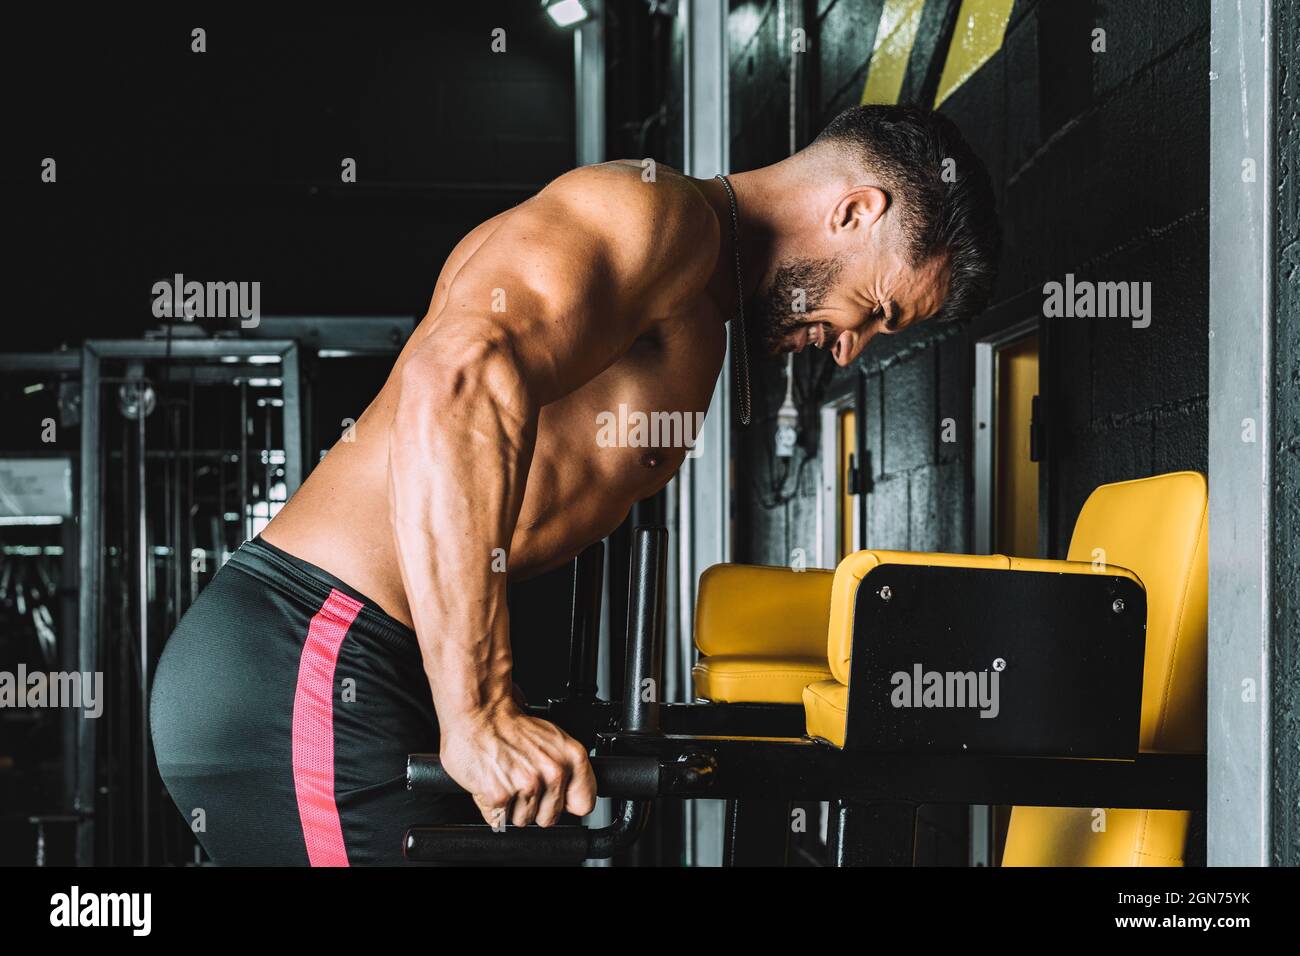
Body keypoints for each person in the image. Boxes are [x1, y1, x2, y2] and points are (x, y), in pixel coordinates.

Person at [150, 103, 1000, 865]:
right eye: (881, 310)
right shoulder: (652, 213)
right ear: (855, 211)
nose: (852, 346)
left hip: (357, 661)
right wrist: (477, 711)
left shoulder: (696, 293)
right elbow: (460, 379)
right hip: (311, 648)